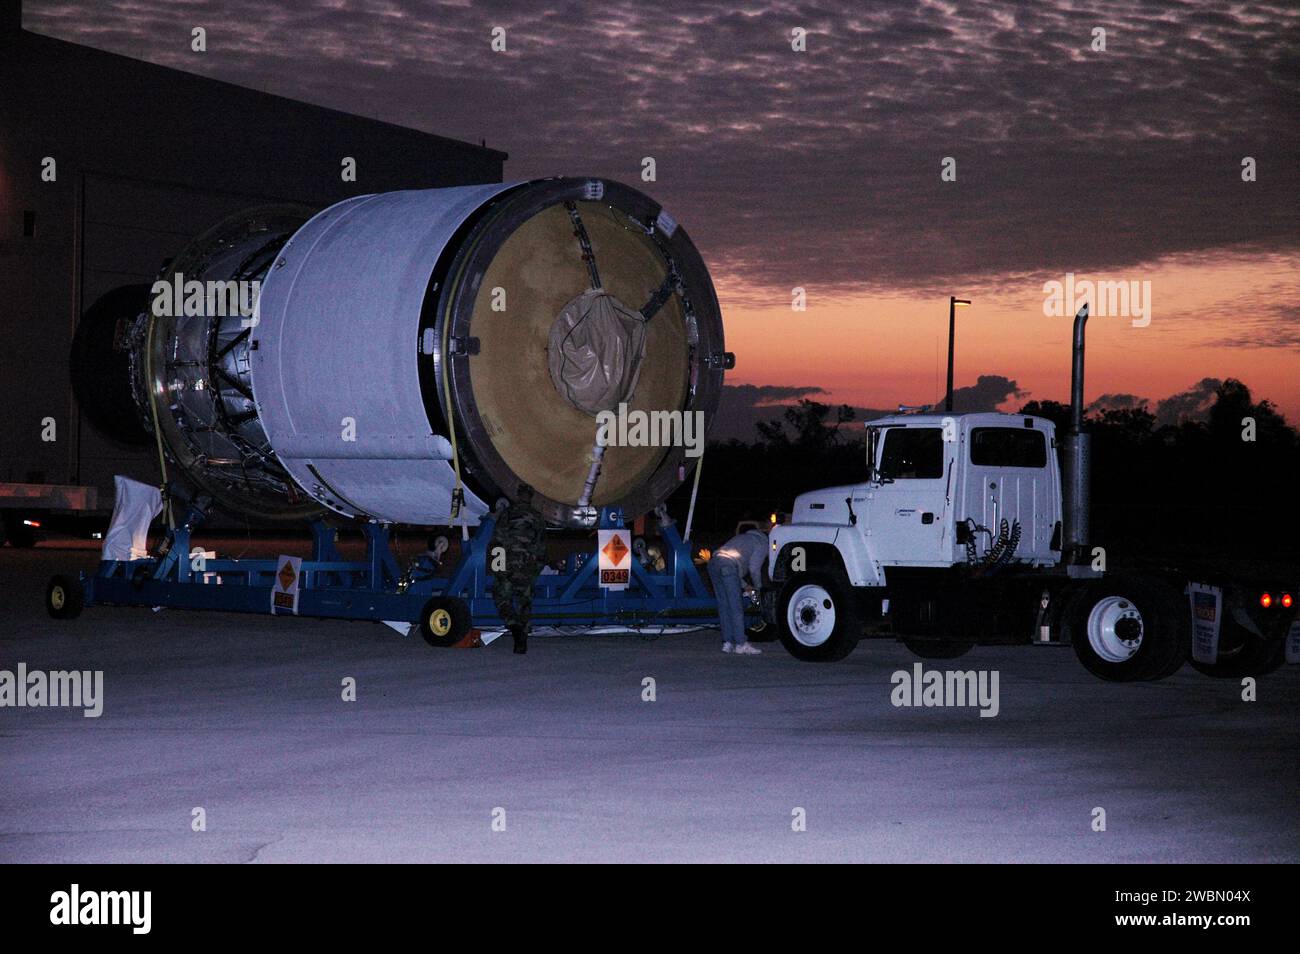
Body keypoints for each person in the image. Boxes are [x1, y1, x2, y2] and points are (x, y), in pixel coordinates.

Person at [489, 484, 548, 654]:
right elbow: (541, 547)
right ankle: (522, 633)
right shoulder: (537, 517)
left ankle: (514, 627)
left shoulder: (507, 514)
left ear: (517, 495)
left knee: (502, 599)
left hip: (507, 566)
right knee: (525, 602)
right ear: (530, 497)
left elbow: (497, 541)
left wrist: (497, 567)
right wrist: (536, 568)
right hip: (527, 567)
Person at [707, 522, 769, 655]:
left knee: (724, 606)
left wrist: (746, 586)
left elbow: (730, 570)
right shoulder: (763, 543)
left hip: (714, 563)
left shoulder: (742, 538)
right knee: (736, 606)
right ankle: (741, 644)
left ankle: (727, 643)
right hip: (728, 565)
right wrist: (759, 589)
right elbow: (754, 569)